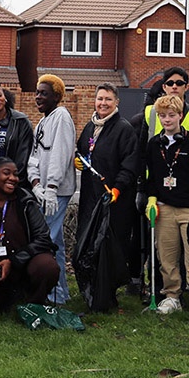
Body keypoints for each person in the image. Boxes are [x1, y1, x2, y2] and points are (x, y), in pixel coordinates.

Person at [0, 158, 59, 313]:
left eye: (16, 174)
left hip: (26, 260)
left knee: (47, 266)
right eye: (6, 173)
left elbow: (43, 239)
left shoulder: (26, 201)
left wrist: (14, 260)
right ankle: (1, 302)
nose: (13, 178)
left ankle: (35, 304)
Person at [74, 82, 138, 290]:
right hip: (90, 197)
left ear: (117, 102)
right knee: (89, 242)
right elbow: (83, 151)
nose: (103, 103)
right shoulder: (90, 127)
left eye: (108, 99)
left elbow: (130, 164)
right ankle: (91, 286)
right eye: (100, 99)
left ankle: (108, 289)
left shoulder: (124, 129)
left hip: (113, 200)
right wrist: (79, 160)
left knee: (110, 244)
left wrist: (118, 188)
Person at [28, 73, 76, 305]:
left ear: (57, 96)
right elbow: (35, 157)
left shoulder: (62, 117)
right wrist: (36, 184)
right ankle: (59, 294)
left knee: (49, 241)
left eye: (44, 93)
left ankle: (54, 294)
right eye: (37, 92)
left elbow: (61, 154)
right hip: (45, 191)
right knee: (54, 242)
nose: (38, 97)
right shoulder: (42, 122)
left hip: (57, 193)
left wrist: (52, 186)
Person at [144, 95, 189, 314]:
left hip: (187, 209)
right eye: (163, 116)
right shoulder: (154, 144)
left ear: (181, 116)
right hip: (164, 207)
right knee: (167, 257)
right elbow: (151, 175)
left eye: (171, 115)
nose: (167, 120)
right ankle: (172, 297)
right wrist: (151, 198)